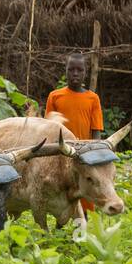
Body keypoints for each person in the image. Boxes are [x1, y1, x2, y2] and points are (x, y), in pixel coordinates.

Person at [45, 53, 104, 216]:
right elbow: (49, 128)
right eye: (71, 70)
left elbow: (96, 131)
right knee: (63, 193)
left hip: (83, 154)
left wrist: (94, 156)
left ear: (85, 72)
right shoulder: (55, 96)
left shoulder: (93, 99)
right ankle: (61, 228)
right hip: (61, 154)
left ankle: (81, 232)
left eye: (79, 70)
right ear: (66, 71)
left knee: (84, 193)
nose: (75, 74)